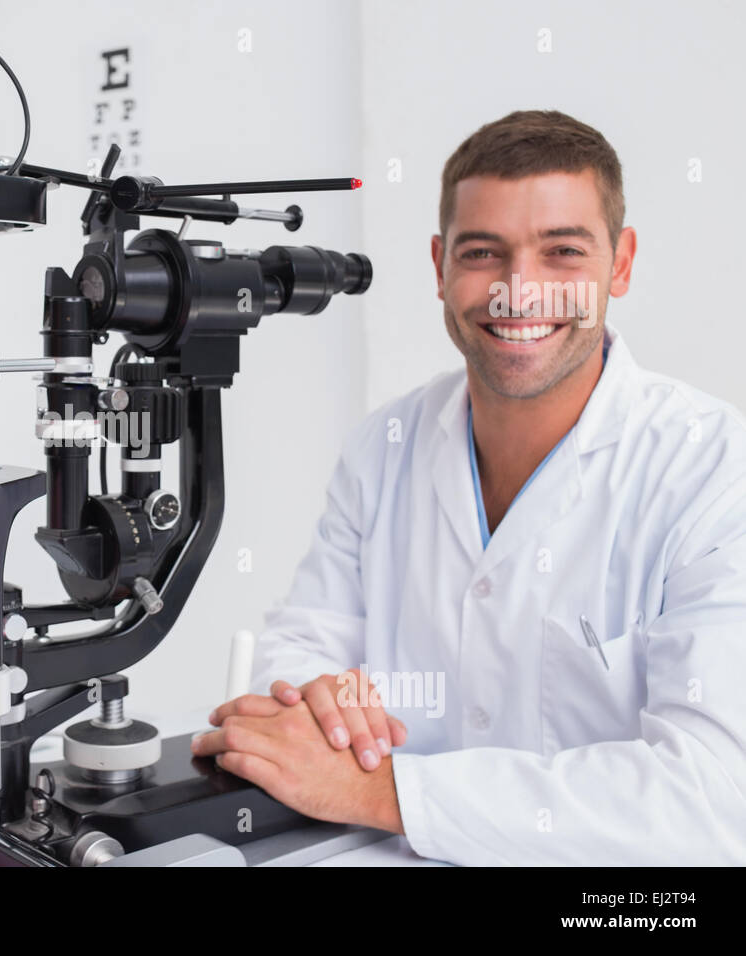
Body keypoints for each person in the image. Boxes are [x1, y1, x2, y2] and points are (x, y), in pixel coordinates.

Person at [192, 109, 746, 865]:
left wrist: (380, 790)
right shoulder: (384, 446)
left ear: (620, 264)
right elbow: (306, 639)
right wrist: (310, 701)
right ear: (440, 267)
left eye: (562, 252)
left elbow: (711, 799)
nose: (521, 291)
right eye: (484, 252)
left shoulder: (712, 468)